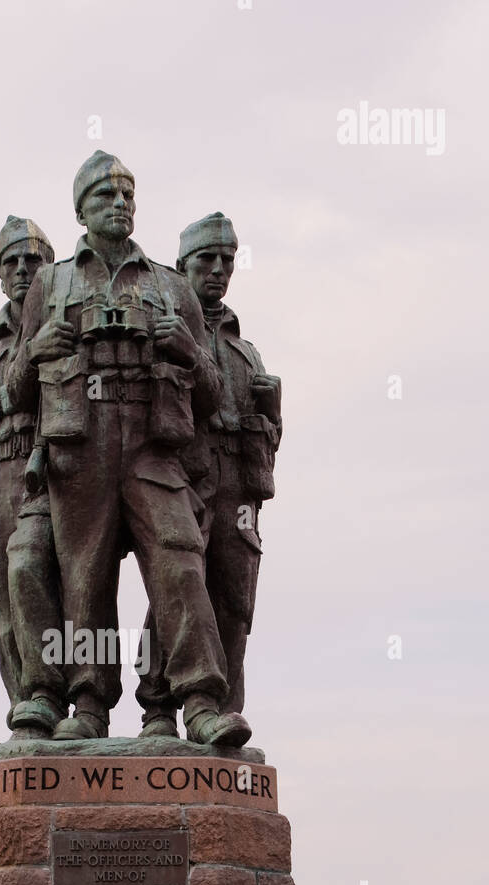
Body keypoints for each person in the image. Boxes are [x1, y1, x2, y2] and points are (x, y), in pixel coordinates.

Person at [6, 153, 249, 746]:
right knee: (84, 580)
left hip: (152, 450)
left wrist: (189, 350)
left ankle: (199, 702)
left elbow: (214, 396)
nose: (119, 206)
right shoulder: (51, 283)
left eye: (127, 197)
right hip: (79, 447)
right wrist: (37, 349)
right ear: (80, 210)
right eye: (105, 197)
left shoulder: (169, 286)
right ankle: (88, 703)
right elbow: (16, 393)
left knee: (180, 561)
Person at [136, 212, 282, 742]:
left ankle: (222, 712)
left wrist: (272, 412)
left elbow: (271, 436)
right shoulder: (167, 331)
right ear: (182, 267)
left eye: (228, 261)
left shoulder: (247, 353)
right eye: (207, 260)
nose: (219, 270)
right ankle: (157, 708)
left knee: (235, 601)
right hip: (185, 474)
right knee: (175, 587)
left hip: (239, 487)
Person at [0, 216, 66, 733]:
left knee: (33, 575)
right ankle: (26, 707)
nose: (22, 270)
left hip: (43, 469)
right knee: (4, 601)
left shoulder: (61, 323)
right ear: (0, 275)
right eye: (11, 262)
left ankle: (53, 692)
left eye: (32, 259)